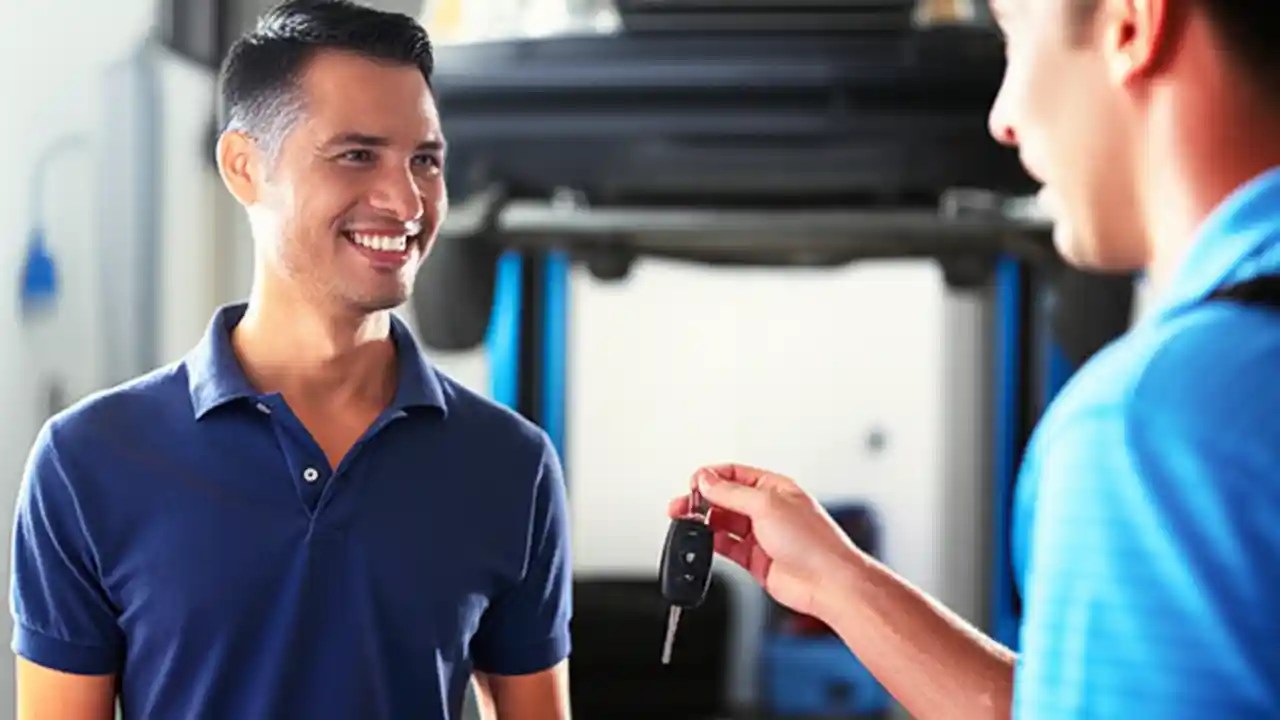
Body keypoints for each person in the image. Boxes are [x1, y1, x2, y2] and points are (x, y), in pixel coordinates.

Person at [671, 1, 1280, 718]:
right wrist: (840, 585)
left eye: (1013, 39)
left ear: (1130, 26)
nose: (1003, 117)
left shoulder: (1152, 428)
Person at [10, 2, 571, 719]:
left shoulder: (510, 465)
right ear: (244, 166)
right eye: (357, 154)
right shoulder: (87, 460)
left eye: (425, 161)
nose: (405, 200)